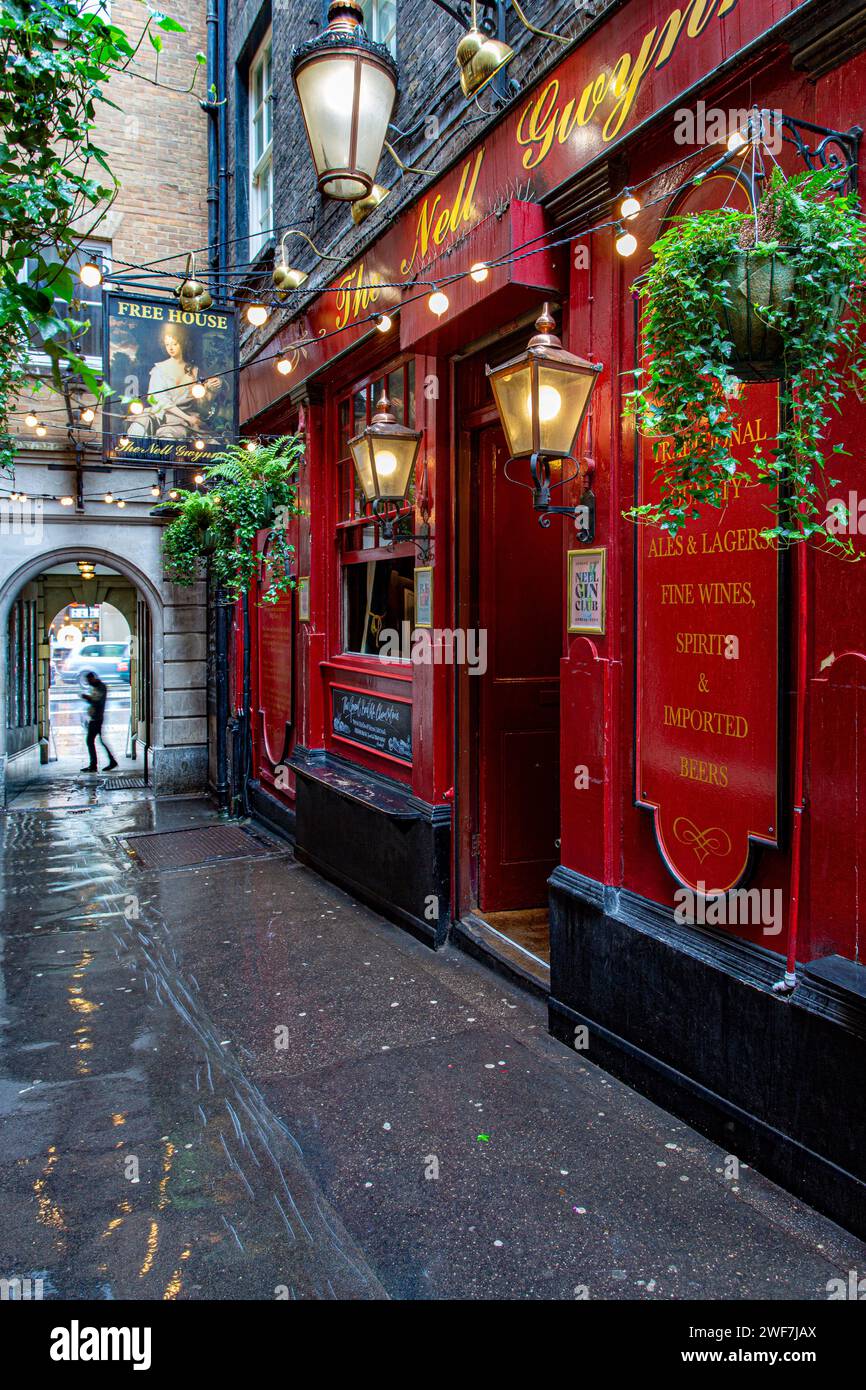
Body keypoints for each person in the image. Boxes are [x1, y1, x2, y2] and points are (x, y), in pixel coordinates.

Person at [80, 671, 118, 773]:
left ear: (92, 678)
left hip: (97, 719)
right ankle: (111, 761)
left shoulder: (101, 687)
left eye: (89, 680)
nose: (88, 683)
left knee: (90, 740)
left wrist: (88, 698)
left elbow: (98, 702)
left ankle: (94, 765)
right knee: (99, 740)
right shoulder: (95, 687)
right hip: (94, 718)